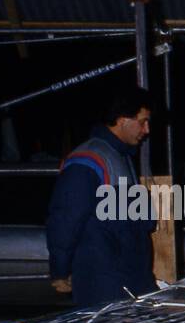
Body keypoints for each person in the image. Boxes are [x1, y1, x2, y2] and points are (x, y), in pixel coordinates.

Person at [46, 86, 156, 307]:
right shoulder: (87, 160)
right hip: (103, 285)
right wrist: (60, 271)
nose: (147, 129)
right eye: (142, 121)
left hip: (128, 281)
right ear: (122, 119)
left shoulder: (120, 157)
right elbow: (65, 220)